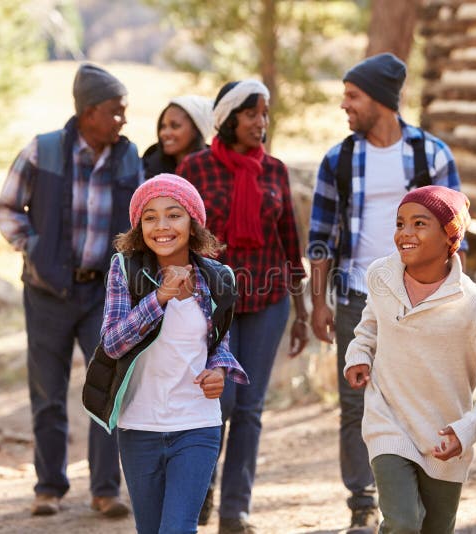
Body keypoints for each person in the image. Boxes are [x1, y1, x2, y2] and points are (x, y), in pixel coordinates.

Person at [307, 52, 468, 529]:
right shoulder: (338, 159)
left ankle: (413, 489)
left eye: (352, 96)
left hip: (423, 298)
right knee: (356, 401)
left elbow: (459, 232)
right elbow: (319, 236)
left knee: (423, 395)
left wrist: (454, 296)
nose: (344, 105)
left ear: (380, 100)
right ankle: (362, 502)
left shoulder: (431, 155)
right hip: (358, 293)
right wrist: (318, 301)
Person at [0, 63, 140, 517]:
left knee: (107, 388)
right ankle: (49, 488)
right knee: (49, 392)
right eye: (116, 111)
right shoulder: (44, 151)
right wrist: (33, 250)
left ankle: (104, 490)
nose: (123, 120)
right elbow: (6, 209)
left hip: (104, 294)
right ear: (90, 112)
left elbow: (139, 218)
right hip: (47, 292)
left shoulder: (127, 156)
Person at [344, 186, 476, 533]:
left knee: (435, 528)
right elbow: (369, 326)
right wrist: (359, 355)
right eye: (400, 223)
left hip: (444, 437)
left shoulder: (472, 304)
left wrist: (466, 430)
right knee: (403, 523)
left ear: (448, 236)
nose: (405, 233)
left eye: (419, 224)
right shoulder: (381, 276)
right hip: (388, 420)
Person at [177, 79, 309, 533]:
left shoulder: (274, 170)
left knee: (251, 407)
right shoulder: (195, 167)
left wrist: (302, 312)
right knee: (220, 402)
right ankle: (200, 492)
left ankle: (236, 511)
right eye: (253, 114)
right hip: (212, 305)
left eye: (266, 114)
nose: (261, 123)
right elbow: (179, 235)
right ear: (229, 119)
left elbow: (289, 240)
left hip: (269, 302)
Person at [94, 173, 249, 533]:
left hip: (197, 424)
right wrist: (159, 298)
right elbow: (112, 343)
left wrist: (220, 372)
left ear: (193, 223)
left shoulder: (218, 277)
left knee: (177, 530)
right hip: (139, 425)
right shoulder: (125, 270)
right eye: (150, 217)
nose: (162, 226)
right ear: (139, 226)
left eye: (174, 214)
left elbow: (218, 343)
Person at [143, 95, 214, 179]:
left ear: (197, 130)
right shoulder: (149, 166)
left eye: (175, 126)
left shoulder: (214, 170)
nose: (164, 133)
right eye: (163, 126)